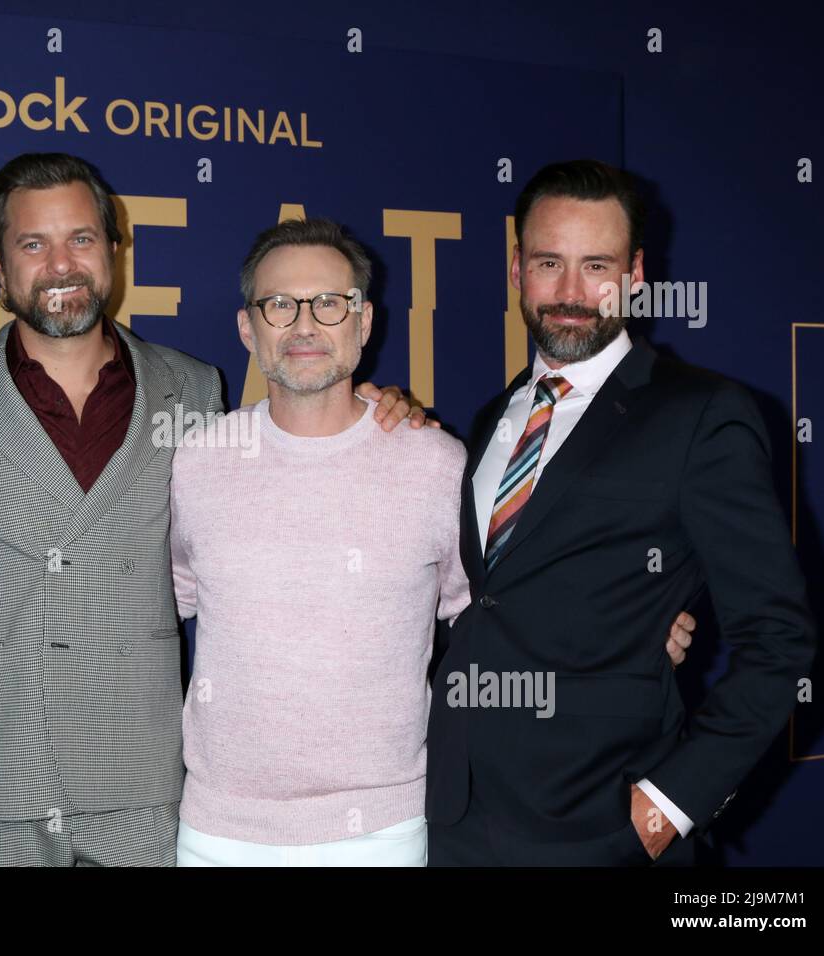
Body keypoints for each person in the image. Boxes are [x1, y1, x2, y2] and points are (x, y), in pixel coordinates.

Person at [0, 153, 422, 866]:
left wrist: (379, 406)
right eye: (34, 245)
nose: (62, 264)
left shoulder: (192, 390)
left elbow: (290, 463)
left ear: (116, 251)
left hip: (143, 778)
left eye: (83, 240)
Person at [169, 218, 693, 866]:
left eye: (331, 303)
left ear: (364, 324)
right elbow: (158, 609)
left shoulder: (438, 466)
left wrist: (633, 628)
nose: (305, 324)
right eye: (280, 304)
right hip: (219, 834)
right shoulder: (195, 462)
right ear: (249, 328)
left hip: (386, 832)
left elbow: (511, 612)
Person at [425, 160, 816, 866]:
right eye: (549, 262)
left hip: (598, 833)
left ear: (636, 273)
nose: (571, 293)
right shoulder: (492, 418)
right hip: (450, 818)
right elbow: (488, 602)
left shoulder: (702, 415)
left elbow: (780, 641)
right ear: (517, 269)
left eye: (596, 265)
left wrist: (667, 808)